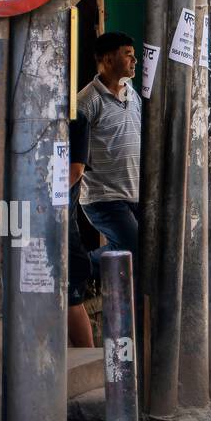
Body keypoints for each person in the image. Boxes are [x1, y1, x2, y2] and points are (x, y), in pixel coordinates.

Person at [77, 32, 141, 266]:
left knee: (142, 252)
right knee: (131, 248)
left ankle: (125, 300)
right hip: (103, 196)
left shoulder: (132, 94)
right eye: (128, 55)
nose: (134, 61)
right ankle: (78, 270)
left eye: (134, 56)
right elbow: (74, 157)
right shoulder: (86, 101)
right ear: (108, 59)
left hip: (133, 191)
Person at [66, 117, 94, 348]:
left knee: (71, 298)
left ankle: (88, 357)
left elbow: (76, 171)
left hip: (63, 223)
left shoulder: (77, 120)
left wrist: (43, 199)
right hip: (26, 220)